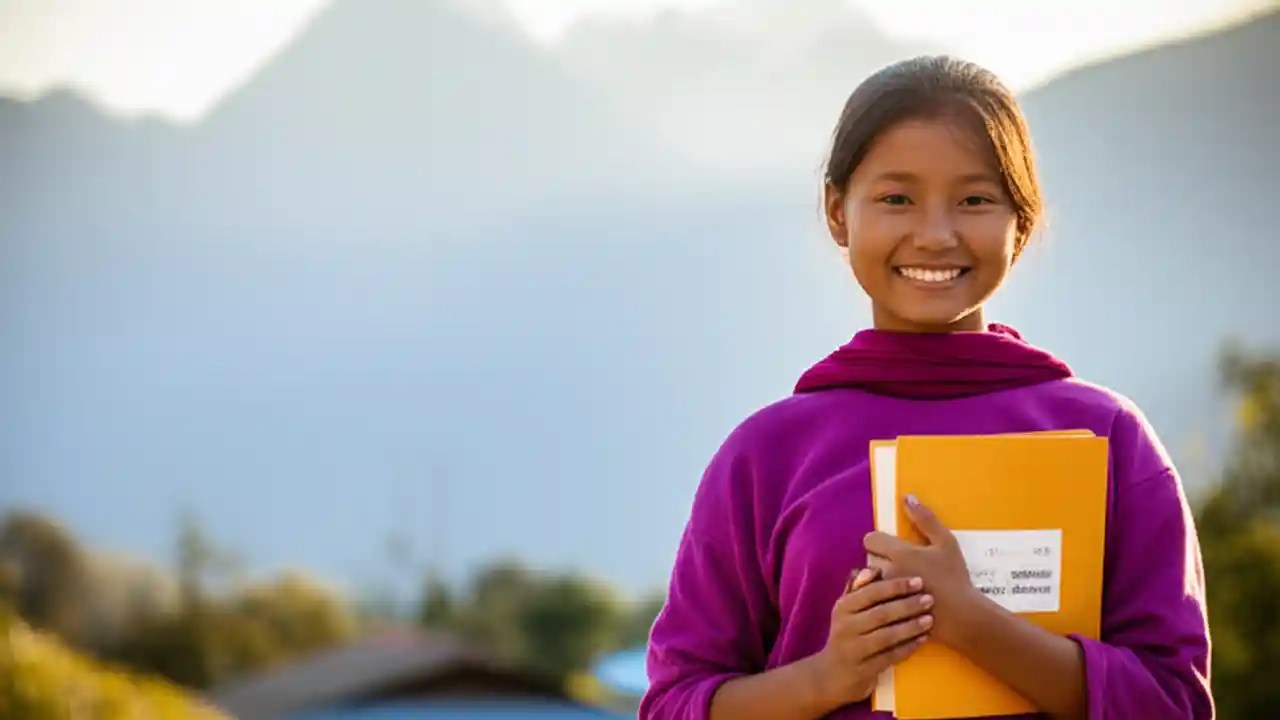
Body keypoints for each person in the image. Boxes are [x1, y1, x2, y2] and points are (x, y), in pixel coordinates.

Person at [638, 55, 1212, 720]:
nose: (935, 235)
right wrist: (828, 676)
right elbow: (674, 705)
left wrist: (973, 624)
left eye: (974, 200)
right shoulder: (767, 454)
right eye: (896, 199)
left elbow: (1176, 704)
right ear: (837, 214)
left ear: (1019, 222)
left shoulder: (1106, 438)